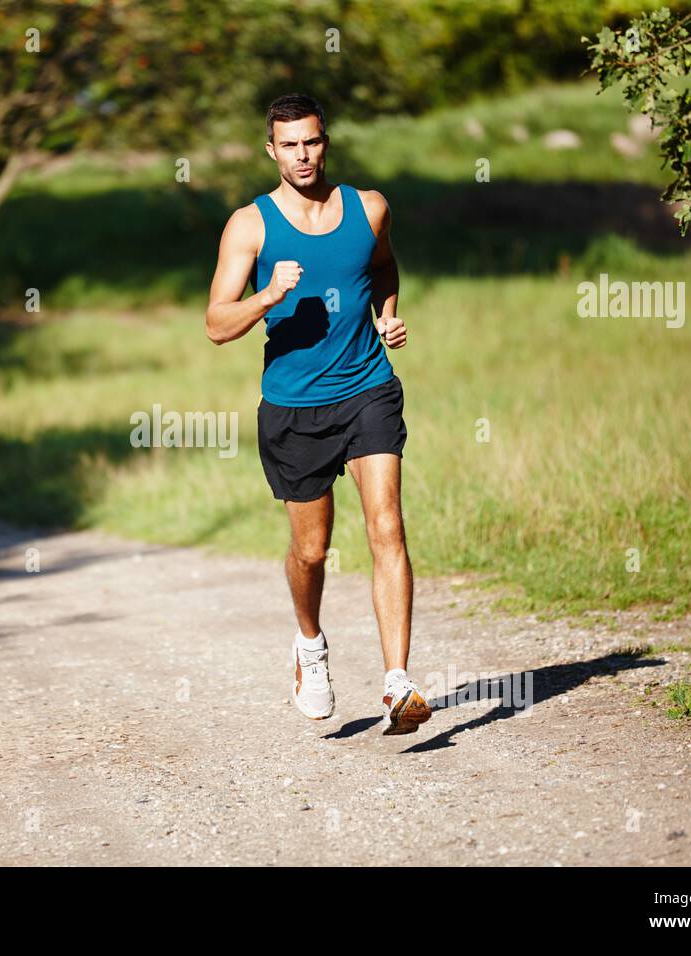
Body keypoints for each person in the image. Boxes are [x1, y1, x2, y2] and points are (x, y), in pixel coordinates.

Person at [204, 93, 430, 735]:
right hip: (295, 409)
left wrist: (386, 314)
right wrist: (268, 295)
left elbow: (383, 267)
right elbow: (217, 324)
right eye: (290, 144)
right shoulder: (250, 226)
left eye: (312, 141)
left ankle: (397, 682)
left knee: (387, 524)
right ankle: (310, 645)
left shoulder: (370, 208)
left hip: (369, 389)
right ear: (271, 150)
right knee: (312, 549)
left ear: (325, 141)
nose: (303, 155)